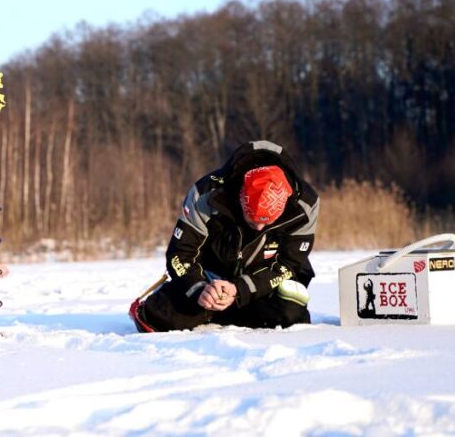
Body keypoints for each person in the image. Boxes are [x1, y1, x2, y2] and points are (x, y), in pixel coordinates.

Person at [129, 140, 320, 332]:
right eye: (252, 219)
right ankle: (211, 307)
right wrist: (199, 289)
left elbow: (291, 263)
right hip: (210, 281)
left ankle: (234, 311)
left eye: (268, 222)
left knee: (291, 316)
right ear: (240, 197)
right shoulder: (205, 193)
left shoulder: (305, 204)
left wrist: (240, 289)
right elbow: (180, 255)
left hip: (262, 286)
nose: (259, 226)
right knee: (156, 317)